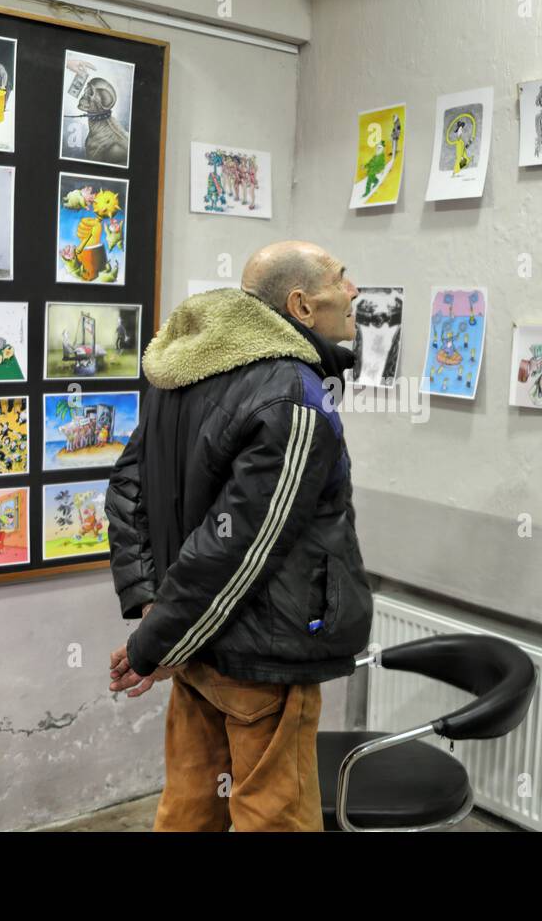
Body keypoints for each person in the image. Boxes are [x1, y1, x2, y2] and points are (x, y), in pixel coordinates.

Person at [106, 240, 374, 832]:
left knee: (191, 807)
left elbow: (127, 494)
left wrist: (157, 617)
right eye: (341, 276)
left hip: (196, 645)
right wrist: (155, 642)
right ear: (302, 305)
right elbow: (243, 549)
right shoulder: (296, 395)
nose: (353, 290)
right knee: (273, 816)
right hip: (266, 655)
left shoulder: (182, 370)